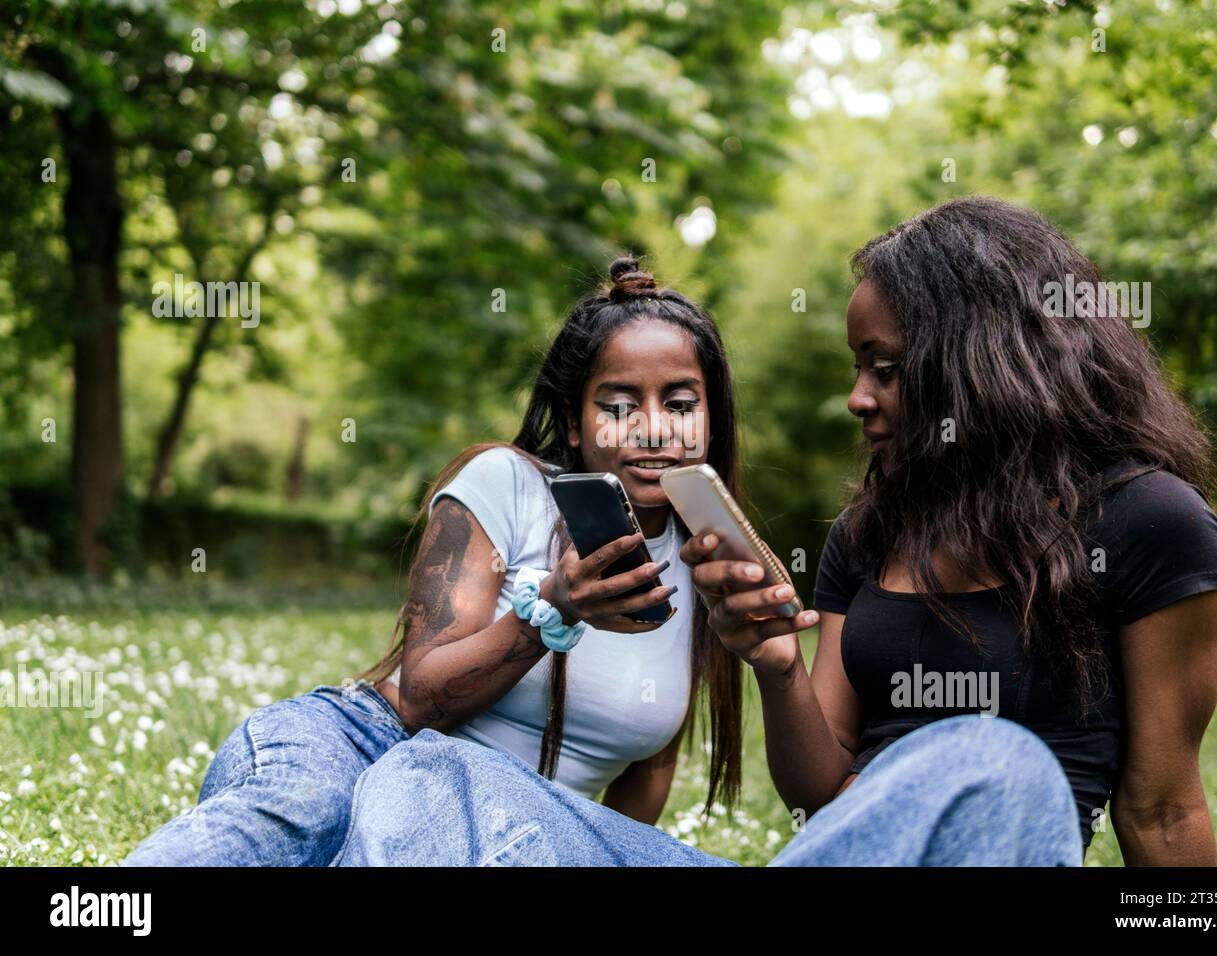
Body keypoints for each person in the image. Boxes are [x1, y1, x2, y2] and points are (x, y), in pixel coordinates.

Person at [332, 198, 1217, 866]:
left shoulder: (1150, 523)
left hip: (991, 831)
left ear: (983, 367)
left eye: (886, 369)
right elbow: (823, 792)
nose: (857, 397)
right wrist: (774, 665)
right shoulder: (872, 533)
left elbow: (1163, 810)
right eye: (855, 366)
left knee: (996, 761)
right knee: (437, 777)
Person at [123, 256, 749, 865]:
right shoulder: (506, 482)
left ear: (710, 421)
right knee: (297, 814)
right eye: (616, 405)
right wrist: (552, 610)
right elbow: (422, 700)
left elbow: (645, 773)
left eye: (680, 403)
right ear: (575, 423)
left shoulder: (710, 562)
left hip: (502, 832)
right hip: (366, 746)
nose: (652, 427)